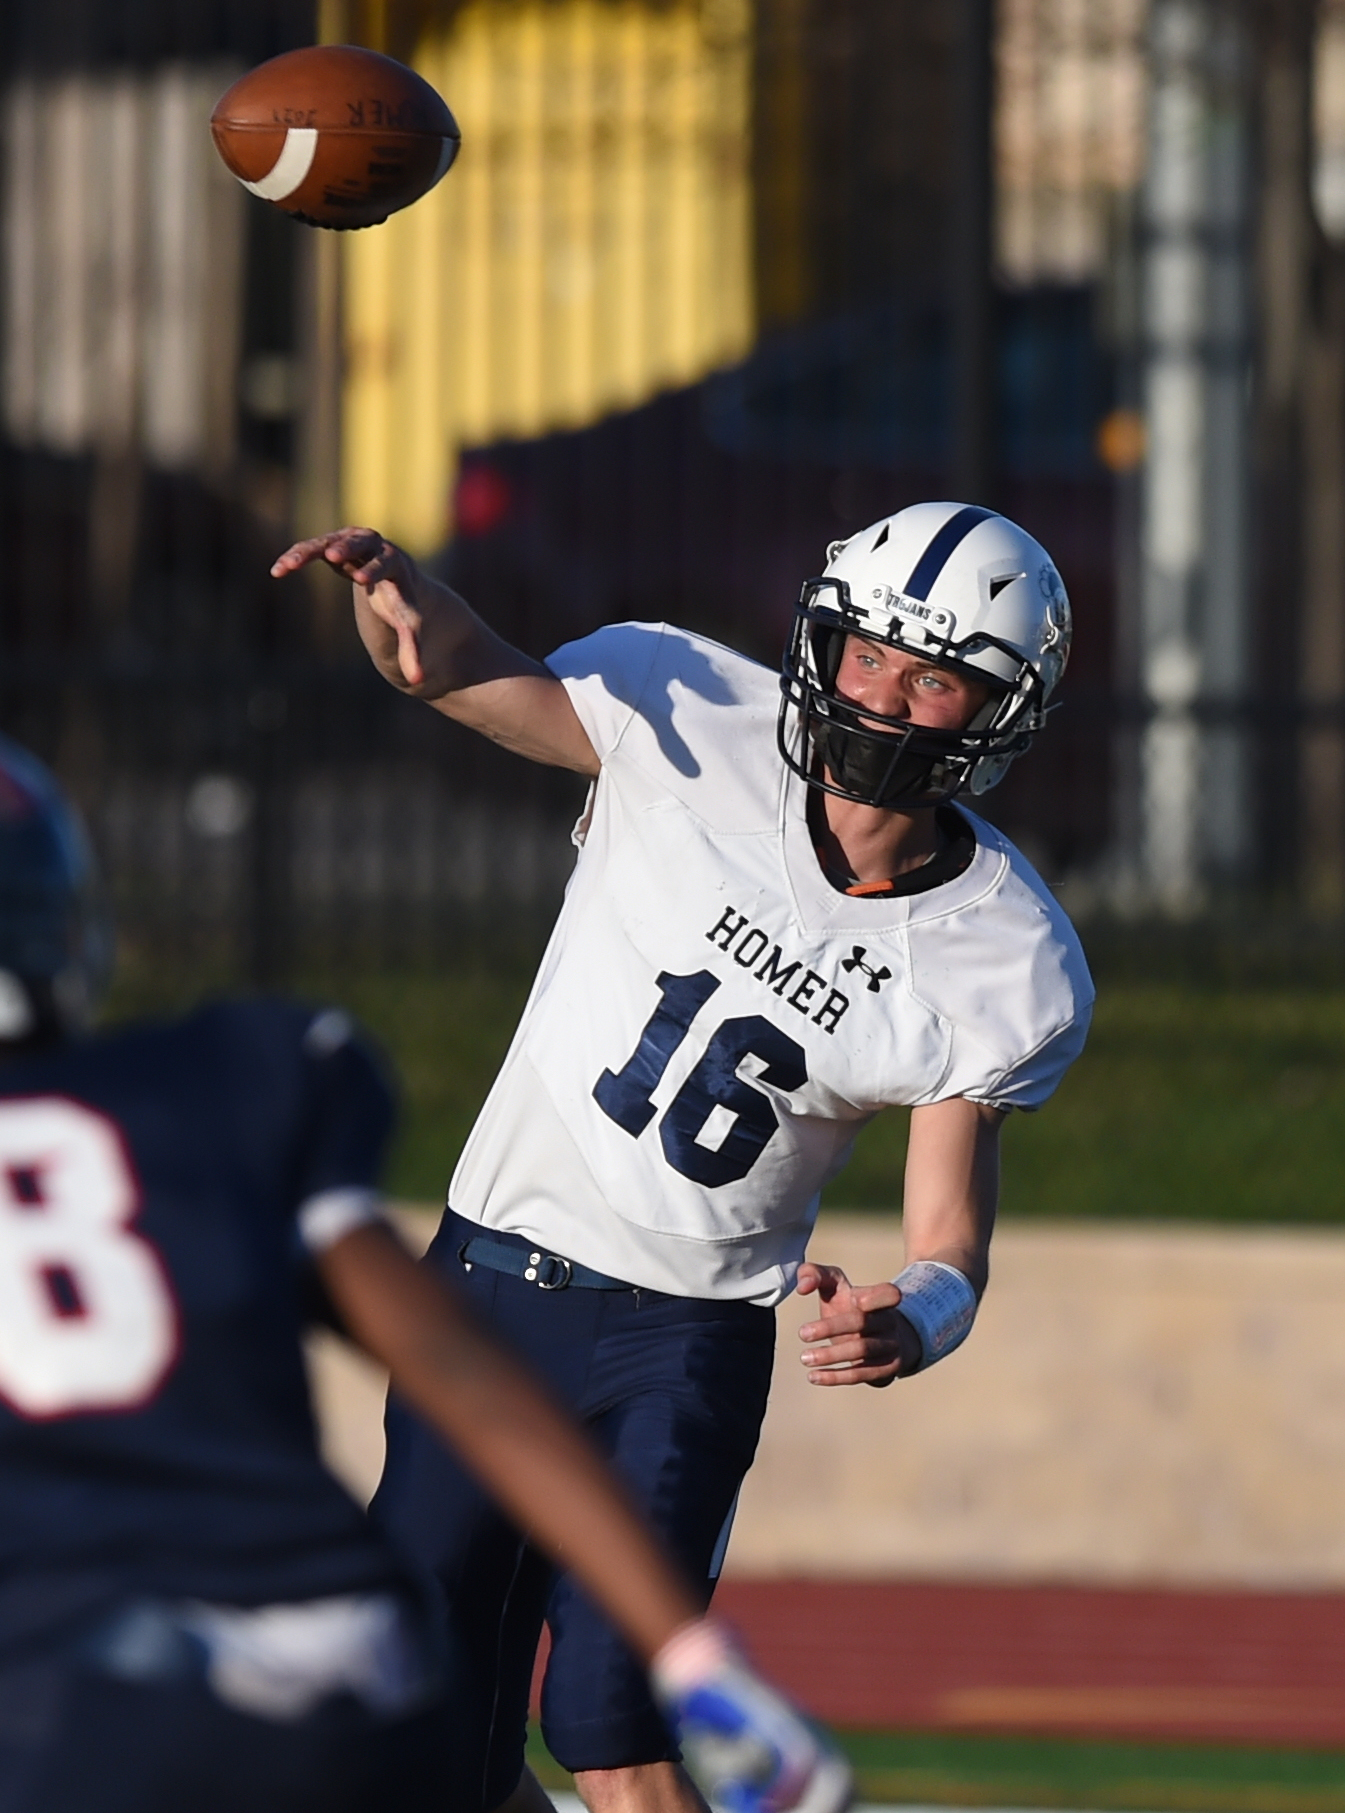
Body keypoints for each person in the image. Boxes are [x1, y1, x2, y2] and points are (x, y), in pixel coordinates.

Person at [273, 500, 1094, 1813]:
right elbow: (470, 674)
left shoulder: (1006, 961)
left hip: (680, 1339)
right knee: (426, 1737)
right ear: (819, 637)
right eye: (868, 653)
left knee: (610, 1721)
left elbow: (951, 1241)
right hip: (481, 1291)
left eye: (932, 678)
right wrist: (405, 624)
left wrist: (915, 1318)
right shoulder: (686, 708)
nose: (882, 697)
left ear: (999, 710)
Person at [0, 733, 850, 1813]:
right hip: (345, 1679)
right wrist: (696, 1663)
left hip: (92, 1695)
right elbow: (461, 1363)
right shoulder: (219, 1085)